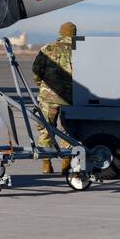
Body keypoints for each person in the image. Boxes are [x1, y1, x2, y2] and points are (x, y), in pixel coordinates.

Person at [32, 21, 76, 174]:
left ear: (60, 33)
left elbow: (36, 70)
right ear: (74, 34)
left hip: (48, 97)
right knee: (68, 130)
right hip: (71, 98)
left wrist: (42, 86)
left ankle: (46, 163)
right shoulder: (81, 49)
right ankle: (66, 164)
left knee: (46, 128)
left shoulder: (48, 48)